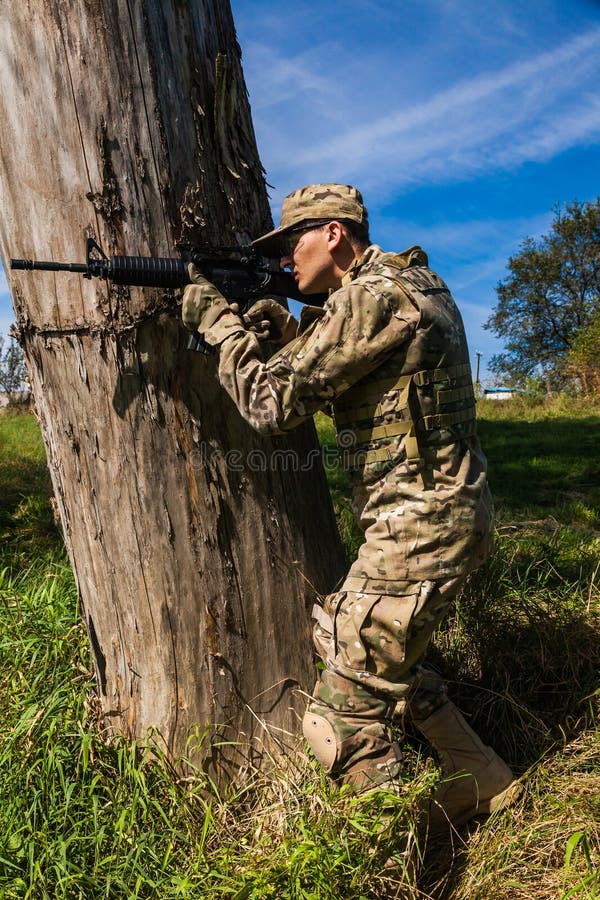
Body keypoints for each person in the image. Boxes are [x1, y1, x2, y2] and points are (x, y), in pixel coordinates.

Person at [181, 184, 521, 831]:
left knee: (338, 720)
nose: (286, 260)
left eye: (292, 242)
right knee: (350, 639)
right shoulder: (410, 284)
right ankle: (479, 778)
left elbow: (271, 406)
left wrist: (218, 325)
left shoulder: (371, 297)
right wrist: (288, 332)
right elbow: (356, 376)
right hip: (438, 519)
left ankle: (390, 854)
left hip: (418, 529)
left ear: (333, 233)